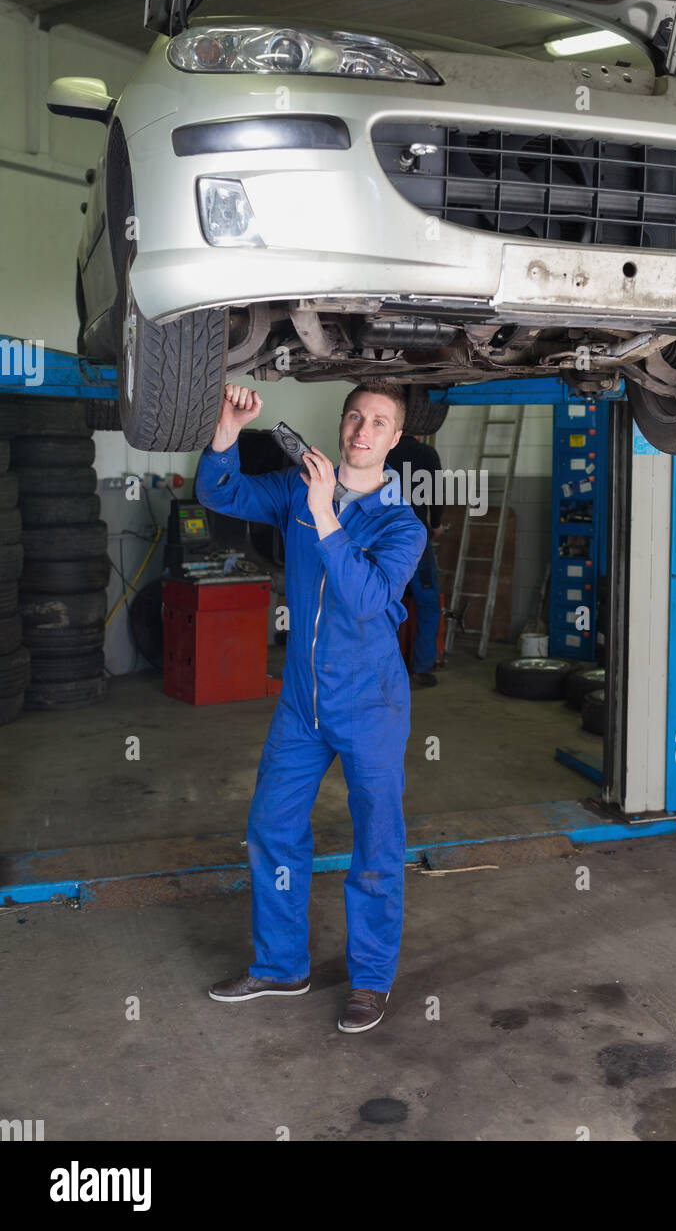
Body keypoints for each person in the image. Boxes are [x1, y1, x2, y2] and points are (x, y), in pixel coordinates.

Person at [195, 381, 427, 1033]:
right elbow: (220, 493)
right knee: (272, 825)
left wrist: (326, 514)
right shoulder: (300, 488)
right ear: (343, 420)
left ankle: (371, 980)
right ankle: (279, 964)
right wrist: (226, 432)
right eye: (355, 416)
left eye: (378, 422)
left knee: (376, 842)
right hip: (303, 699)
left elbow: (363, 597)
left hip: (370, 702)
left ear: (394, 439)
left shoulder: (401, 525)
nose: (361, 430)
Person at [387, 430, 445, 688]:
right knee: (428, 605)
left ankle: (387, 669)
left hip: (383, 538)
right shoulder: (426, 453)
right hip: (415, 539)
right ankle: (421, 670)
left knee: (386, 604)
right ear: (420, 431)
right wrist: (436, 524)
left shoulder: (383, 449)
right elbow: (437, 492)